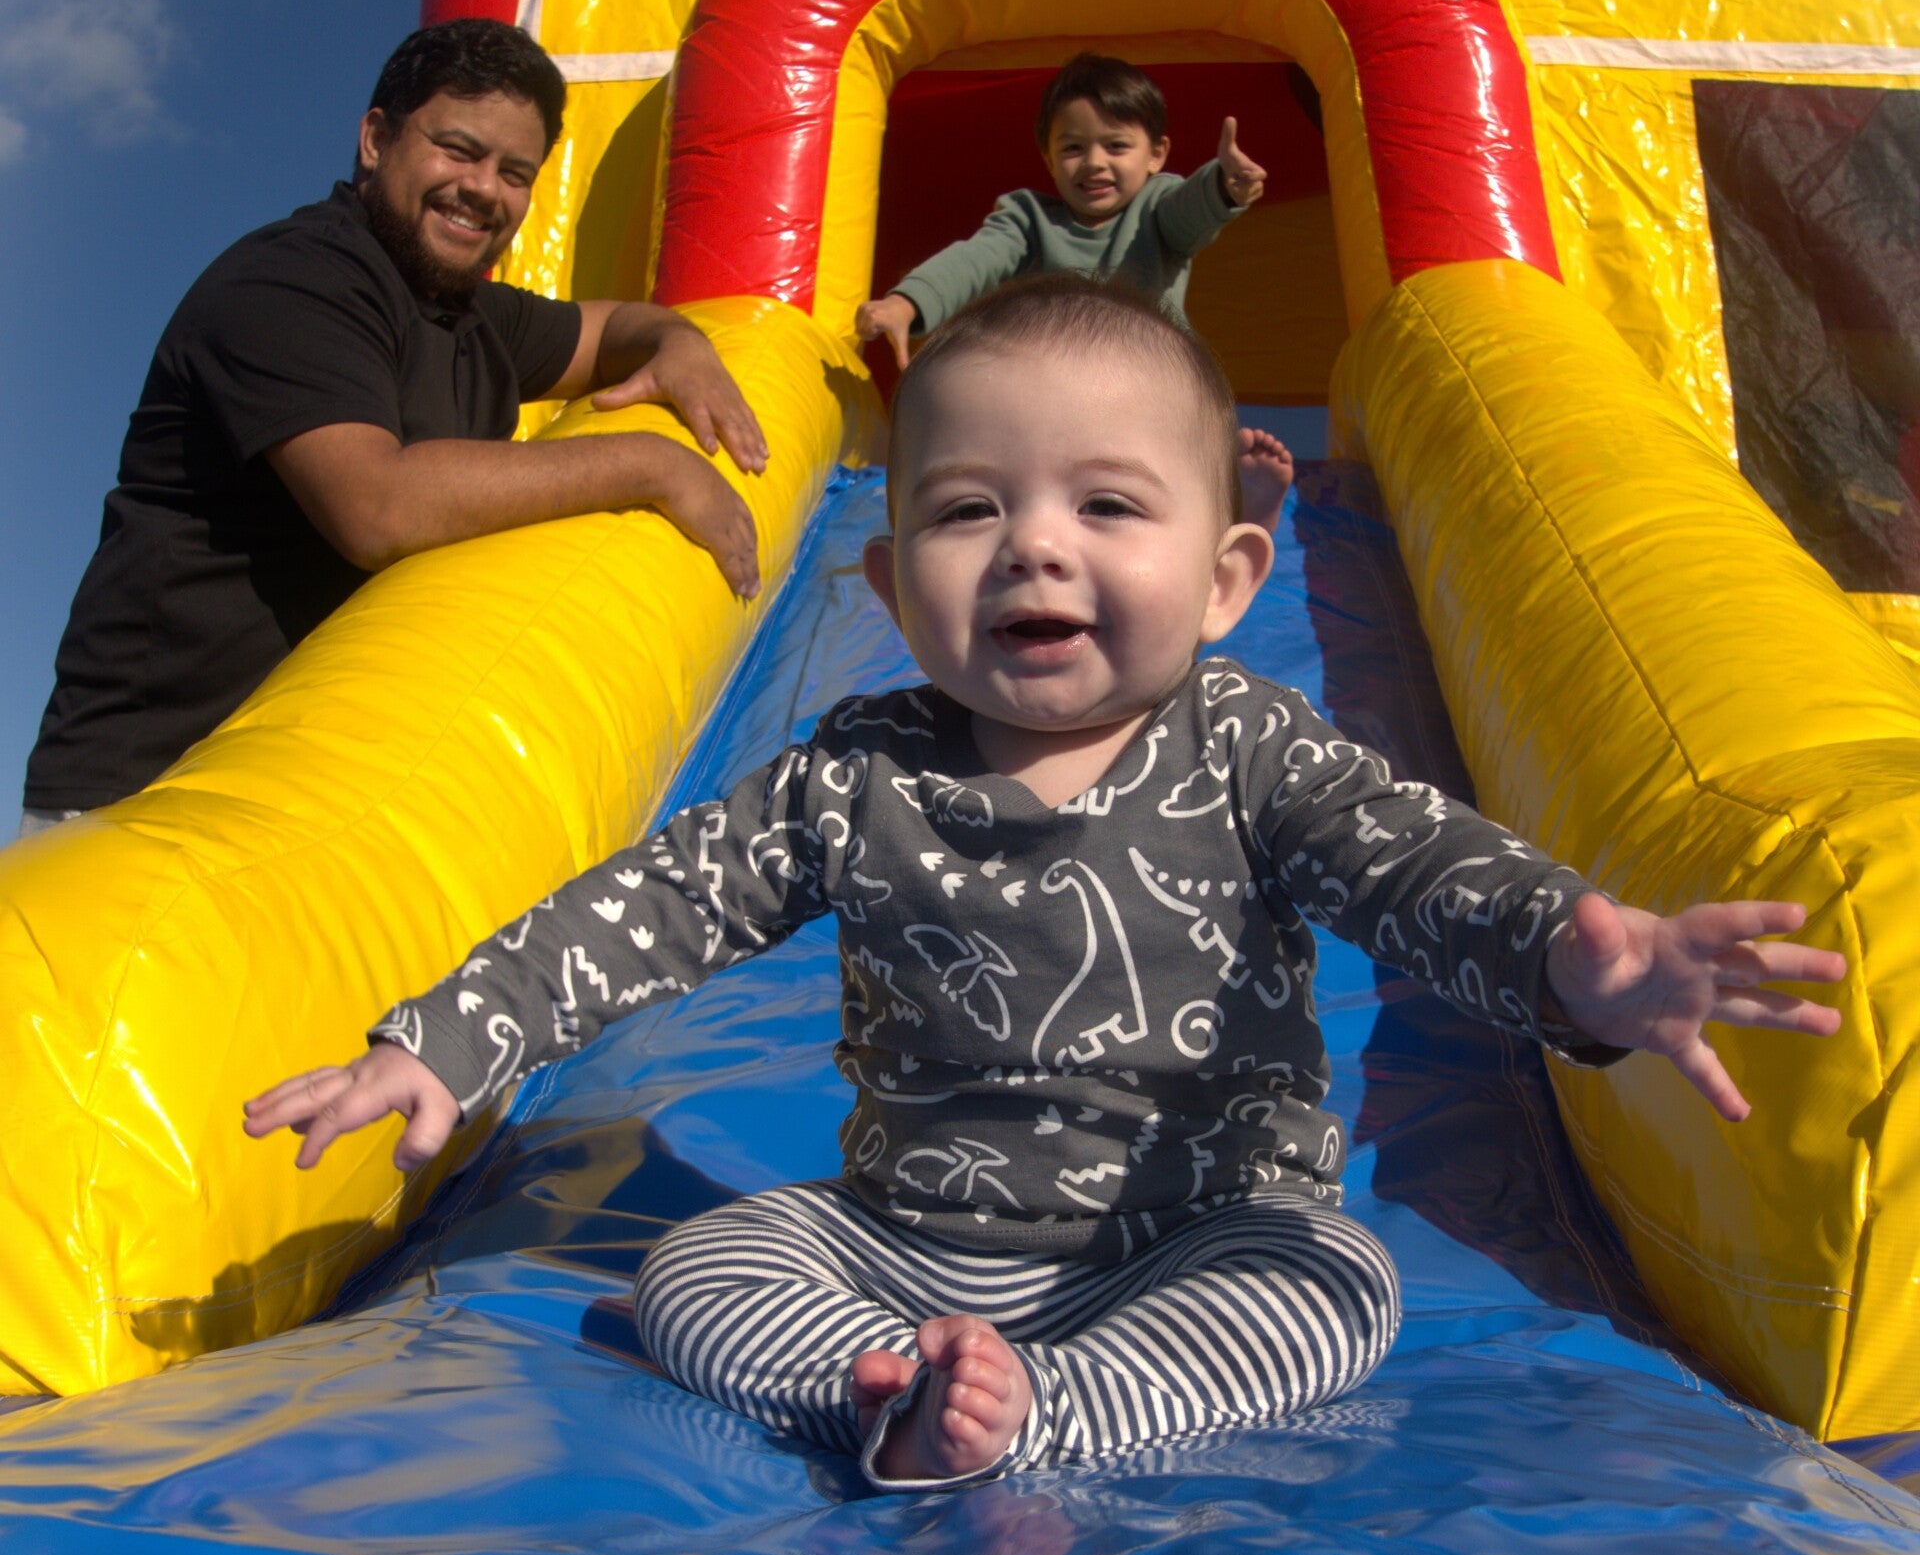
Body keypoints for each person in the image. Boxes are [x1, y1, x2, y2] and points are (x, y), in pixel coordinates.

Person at [246, 278, 1845, 1490]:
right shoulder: (855, 772)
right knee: (695, 1272)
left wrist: (1576, 962)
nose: (1033, 547)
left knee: (1332, 1289)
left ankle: (1036, 1417)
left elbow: (1415, 860)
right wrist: (450, 1037)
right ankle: (890, 1382)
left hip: (1192, 1230)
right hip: (902, 1234)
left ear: (1227, 582)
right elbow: (663, 896)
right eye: (965, 509)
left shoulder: (1251, 750)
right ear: (887, 584)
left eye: (1106, 503)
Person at [20, 18, 767, 830]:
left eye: (516, 172)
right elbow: (376, 507)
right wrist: (650, 465)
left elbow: (613, 326)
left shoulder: (469, 312)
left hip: (319, 793)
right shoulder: (291, 281)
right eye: (458, 149)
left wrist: (680, 341)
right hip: (137, 801)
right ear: (377, 138)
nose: (484, 189)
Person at [856, 49, 1296, 528]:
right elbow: (976, 259)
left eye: (1116, 146)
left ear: (1156, 155)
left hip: (1151, 388)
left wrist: (1225, 188)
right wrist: (908, 302)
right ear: (1047, 157)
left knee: (1186, 448)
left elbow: (1189, 210)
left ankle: (1238, 512)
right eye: (1072, 148)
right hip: (1054, 394)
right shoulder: (1027, 220)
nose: (1094, 163)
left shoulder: (1156, 209)